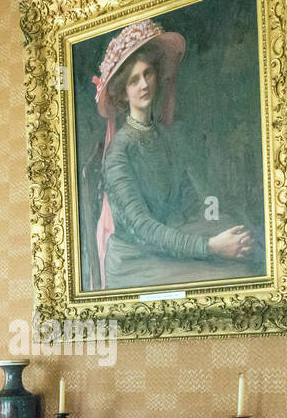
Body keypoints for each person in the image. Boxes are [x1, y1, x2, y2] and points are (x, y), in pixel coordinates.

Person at [87, 18, 260, 291]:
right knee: (232, 275)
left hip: (168, 244)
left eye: (147, 74)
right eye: (134, 81)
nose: (143, 84)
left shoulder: (164, 137)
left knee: (248, 246)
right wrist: (212, 246)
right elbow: (144, 229)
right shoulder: (119, 153)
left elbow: (188, 200)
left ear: (157, 76)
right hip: (137, 261)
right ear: (123, 93)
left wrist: (220, 227)